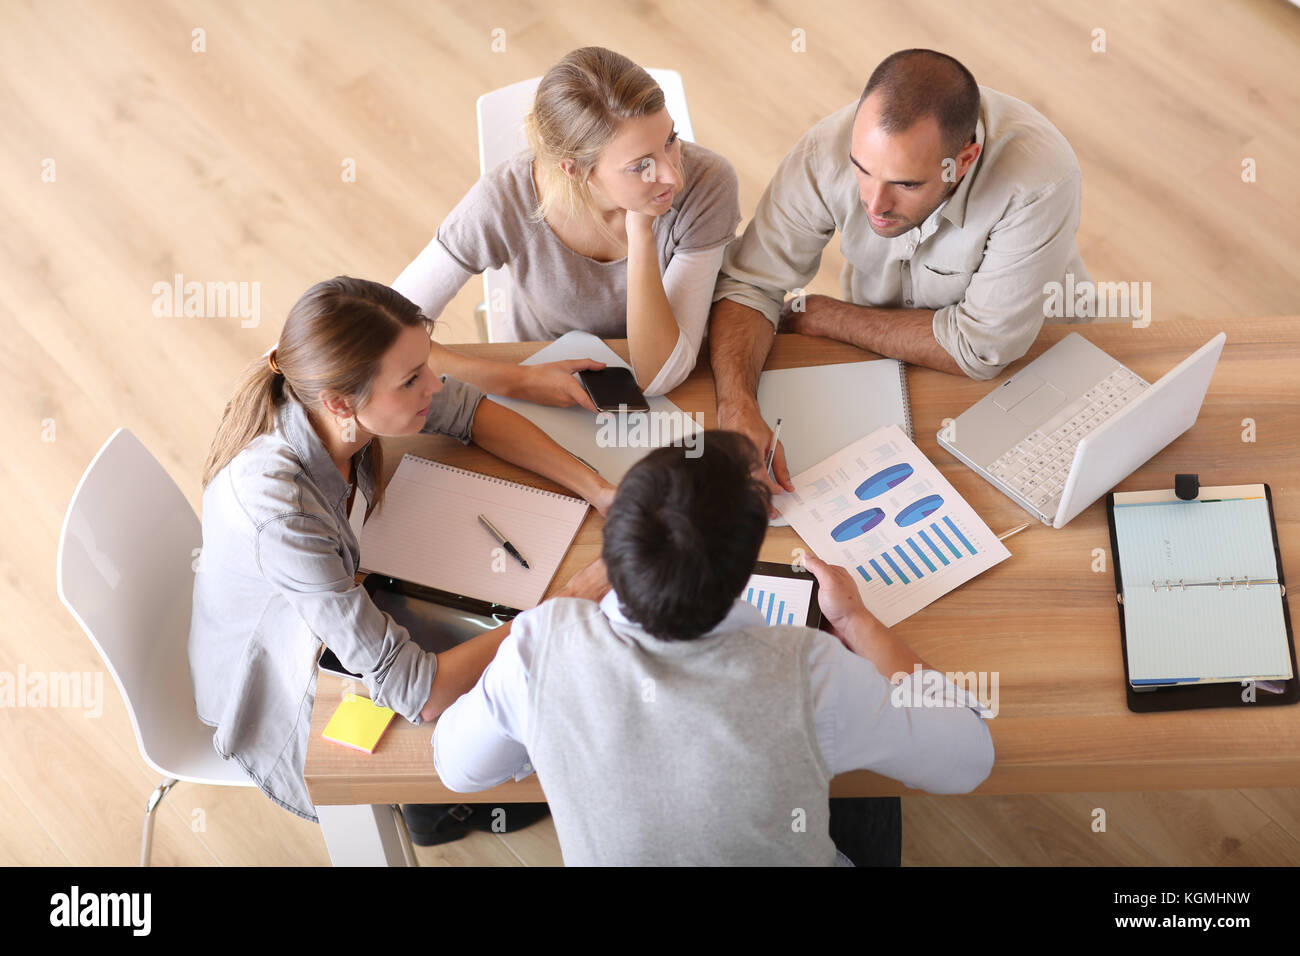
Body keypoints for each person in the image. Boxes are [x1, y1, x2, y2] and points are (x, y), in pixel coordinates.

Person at [431, 431, 994, 865]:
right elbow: (970, 760)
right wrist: (858, 621)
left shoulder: (538, 645)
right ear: (744, 568)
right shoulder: (812, 672)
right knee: (867, 785)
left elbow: (457, 769)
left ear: (616, 547)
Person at [188, 276, 615, 825]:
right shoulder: (282, 512)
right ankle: (435, 814)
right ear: (341, 402)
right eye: (412, 380)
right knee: (553, 698)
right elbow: (418, 692)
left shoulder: (329, 402)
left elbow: (468, 411)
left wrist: (600, 489)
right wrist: (562, 608)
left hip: (342, 608)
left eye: (428, 363)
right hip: (285, 685)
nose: (435, 384)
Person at [710, 48, 1092, 492]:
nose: (874, 204)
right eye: (862, 170)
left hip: (1034, 359)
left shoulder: (1038, 180)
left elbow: (981, 349)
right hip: (880, 353)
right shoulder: (826, 149)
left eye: (906, 184)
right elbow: (748, 283)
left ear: (963, 161)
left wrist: (828, 315)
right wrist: (735, 407)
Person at [392, 45, 742, 395]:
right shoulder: (504, 199)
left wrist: (641, 233)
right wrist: (519, 380)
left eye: (671, 140)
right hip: (540, 368)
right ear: (574, 169)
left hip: (659, 379)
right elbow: (383, 330)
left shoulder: (708, 184)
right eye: (641, 165)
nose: (672, 176)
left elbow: (659, 375)